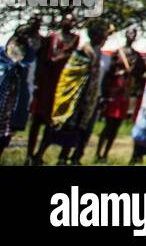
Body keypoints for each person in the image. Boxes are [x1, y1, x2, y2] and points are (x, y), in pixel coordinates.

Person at [35, 19, 109, 165]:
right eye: (102, 35)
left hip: (87, 98)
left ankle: (64, 157)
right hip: (73, 95)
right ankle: (39, 155)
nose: (104, 38)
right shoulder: (83, 50)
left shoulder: (98, 53)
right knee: (58, 125)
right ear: (95, 36)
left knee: (75, 130)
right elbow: (72, 72)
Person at [26, 11, 78, 164]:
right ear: (62, 22)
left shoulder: (75, 40)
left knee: (52, 123)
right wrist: (36, 82)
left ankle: (39, 154)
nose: (70, 23)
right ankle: (29, 154)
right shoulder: (51, 38)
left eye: (73, 21)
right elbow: (41, 61)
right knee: (36, 121)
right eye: (67, 20)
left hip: (61, 87)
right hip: (45, 84)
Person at [95, 27, 144, 162]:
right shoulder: (118, 53)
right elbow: (108, 72)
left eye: (134, 34)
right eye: (129, 33)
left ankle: (105, 154)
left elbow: (140, 74)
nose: (131, 36)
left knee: (116, 126)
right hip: (114, 92)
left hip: (126, 94)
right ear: (125, 36)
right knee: (108, 125)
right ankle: (98, 153)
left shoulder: (137, 56)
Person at [0, 15, 40, 155]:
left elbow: (27, 69)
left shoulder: (29, 54)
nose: (23, 36)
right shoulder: (5, 49)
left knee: (6, 131)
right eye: (21, 33)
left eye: (26, 34)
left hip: (15, 96)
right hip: (2, 92)